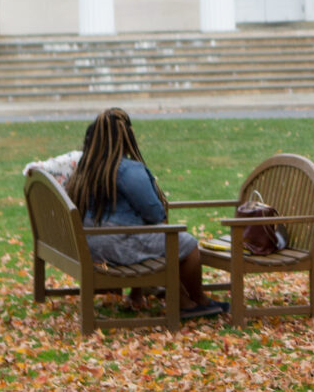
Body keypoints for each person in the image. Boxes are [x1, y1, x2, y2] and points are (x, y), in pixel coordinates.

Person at [66, 108, 223, 320]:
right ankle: (197, 301)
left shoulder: (87, 167)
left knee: (156, 238)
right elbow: (154, 213)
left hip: (91, 245)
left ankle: (171, 297)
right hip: (115, 246)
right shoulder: (126, 170)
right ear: (127, 137)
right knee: (187, 245)